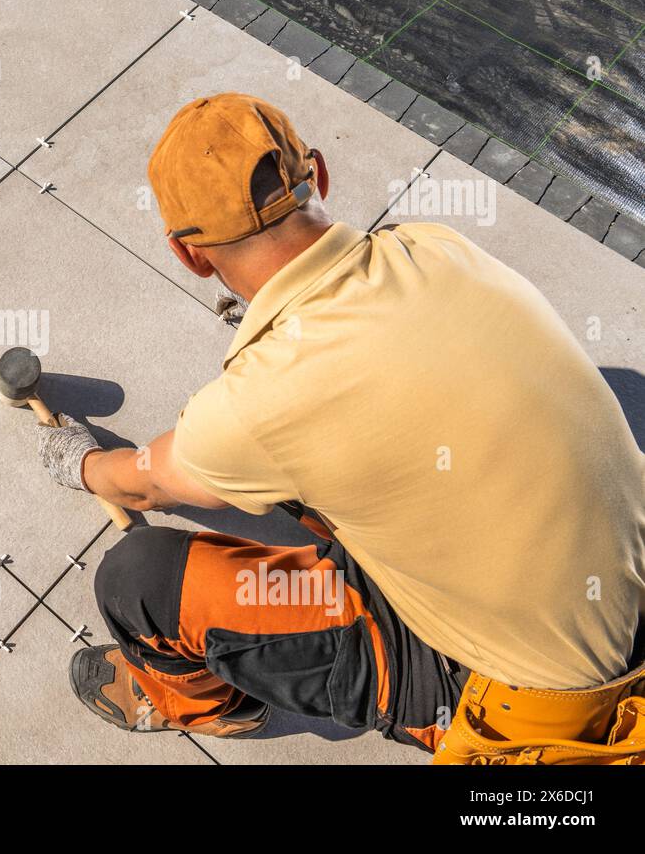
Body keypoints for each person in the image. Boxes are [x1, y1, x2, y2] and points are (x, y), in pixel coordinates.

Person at [37, 93, 645, 762]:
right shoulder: (436, 248)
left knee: (136, 583)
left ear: (189, 255)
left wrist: (82, 461)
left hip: (522, 699)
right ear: (319, 175)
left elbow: (146, 483)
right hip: (629, 588)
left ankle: (199, 701)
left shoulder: (256, 403)